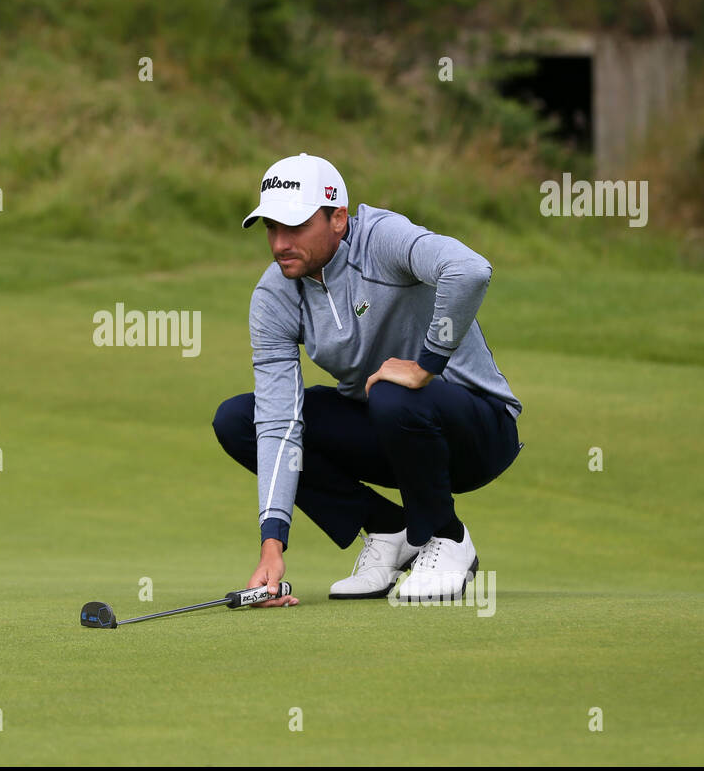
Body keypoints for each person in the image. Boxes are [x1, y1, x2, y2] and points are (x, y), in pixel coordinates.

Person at [212, 153, 523, 607]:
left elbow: (469, 269)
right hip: (393, 430)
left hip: (477, 431)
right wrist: (272, 545)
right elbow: (280, 422)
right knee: (241, 418)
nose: (279, 244)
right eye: (271, 229)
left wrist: (426, 365)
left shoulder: (381, 238)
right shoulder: (275, 295)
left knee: (395, 393)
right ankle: (389, 530)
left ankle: (448, 537)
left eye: (295, 227)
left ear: (338, 218)